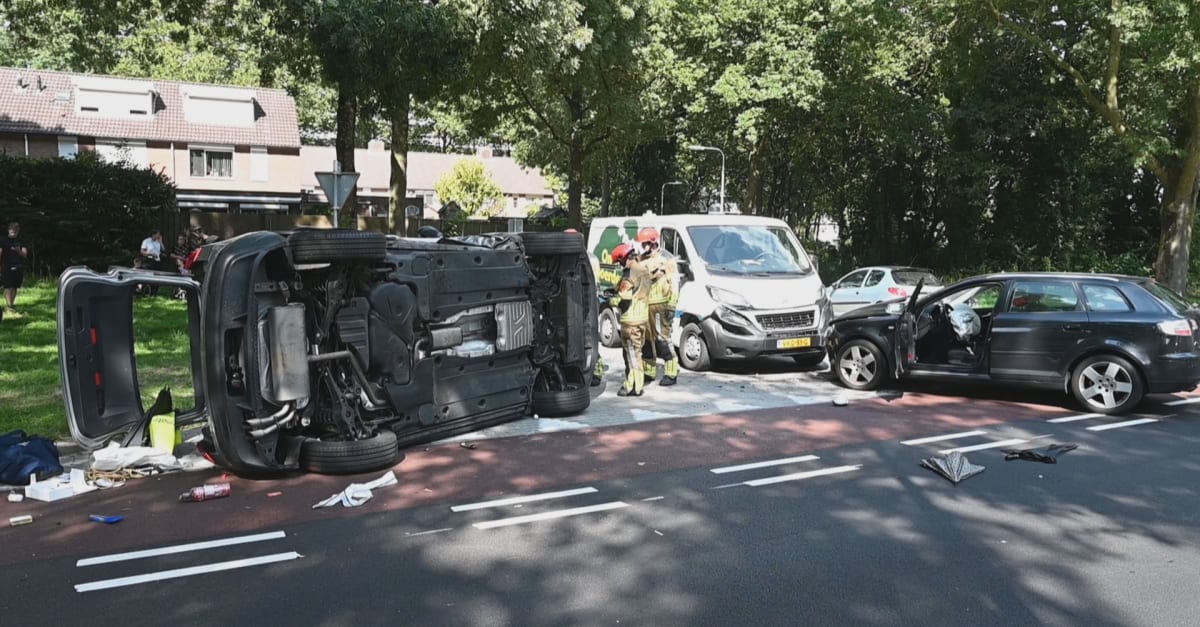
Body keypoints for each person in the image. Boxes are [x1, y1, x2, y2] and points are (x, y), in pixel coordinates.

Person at [637, 227, 681, 386]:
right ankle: (649, 371)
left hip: (661, 306)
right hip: (645, 306)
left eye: (645, 244)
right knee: (646, 340)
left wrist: (671, 306)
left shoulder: (667, 259)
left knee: (662, 340)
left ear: (653, 243)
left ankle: (671, 371)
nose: (643, 247)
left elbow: (674, 283)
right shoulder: (641, 259)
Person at [608, 243, 652, 397]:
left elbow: (625, 296)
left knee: (632, 355)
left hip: (630, 319)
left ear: (624, 258)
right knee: (637, 351)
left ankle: (634, 386)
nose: (620, 266)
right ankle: (634, 384)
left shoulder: (629, 273)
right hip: (642, 318)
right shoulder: (642, 269)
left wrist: (613, 301)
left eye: (620, 262)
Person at [1, 222, 29, 311]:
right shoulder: (3, 240)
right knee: (8, 286)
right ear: (8, 230)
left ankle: (12, 304)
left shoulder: (21, 241)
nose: (14, 231)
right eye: (12, 229)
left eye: (16, 229)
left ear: (18, 231)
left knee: (15, 286)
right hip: (6, 266)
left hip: (18, 266)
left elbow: (24, 254)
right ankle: (9, 305)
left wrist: (18, 251)